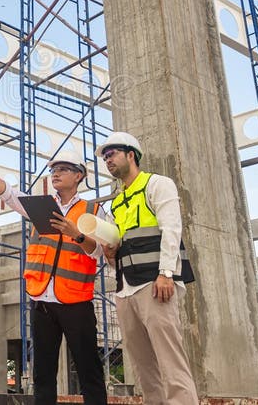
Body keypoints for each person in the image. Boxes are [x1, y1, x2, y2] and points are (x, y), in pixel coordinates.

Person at [0, 149, 108, 405]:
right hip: (42, 300)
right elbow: (9, 195)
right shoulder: (42, 206)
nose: (55, 174)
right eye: (53, 170)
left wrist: (76, 233)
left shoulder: (93, 210)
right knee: (42, 374)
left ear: (79, 175)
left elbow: (100, 250)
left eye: (63, 169)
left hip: (75, 302)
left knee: (90, 372)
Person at [96, 131, 198, 405]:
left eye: (112, 154)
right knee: (144, 366)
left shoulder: (158, 184)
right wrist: (110, 252)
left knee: (170, 360)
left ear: (131, 155)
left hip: (155, 284)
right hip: (126, 289)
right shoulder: (117, 201)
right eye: (105, 157)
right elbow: (121, 248)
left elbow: (171, 229)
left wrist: (166, 273)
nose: (108, 161)